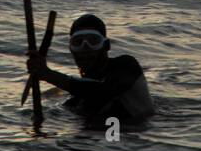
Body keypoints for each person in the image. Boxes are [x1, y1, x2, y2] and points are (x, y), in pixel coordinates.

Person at [26, 13, 154, 122]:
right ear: (71, 49)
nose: (85, 49)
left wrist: (48, 75)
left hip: (135, 143)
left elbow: (102, 92)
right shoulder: (78, 98)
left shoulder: (126, 66)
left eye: (93, 41)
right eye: (78, 42)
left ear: (107, 45)